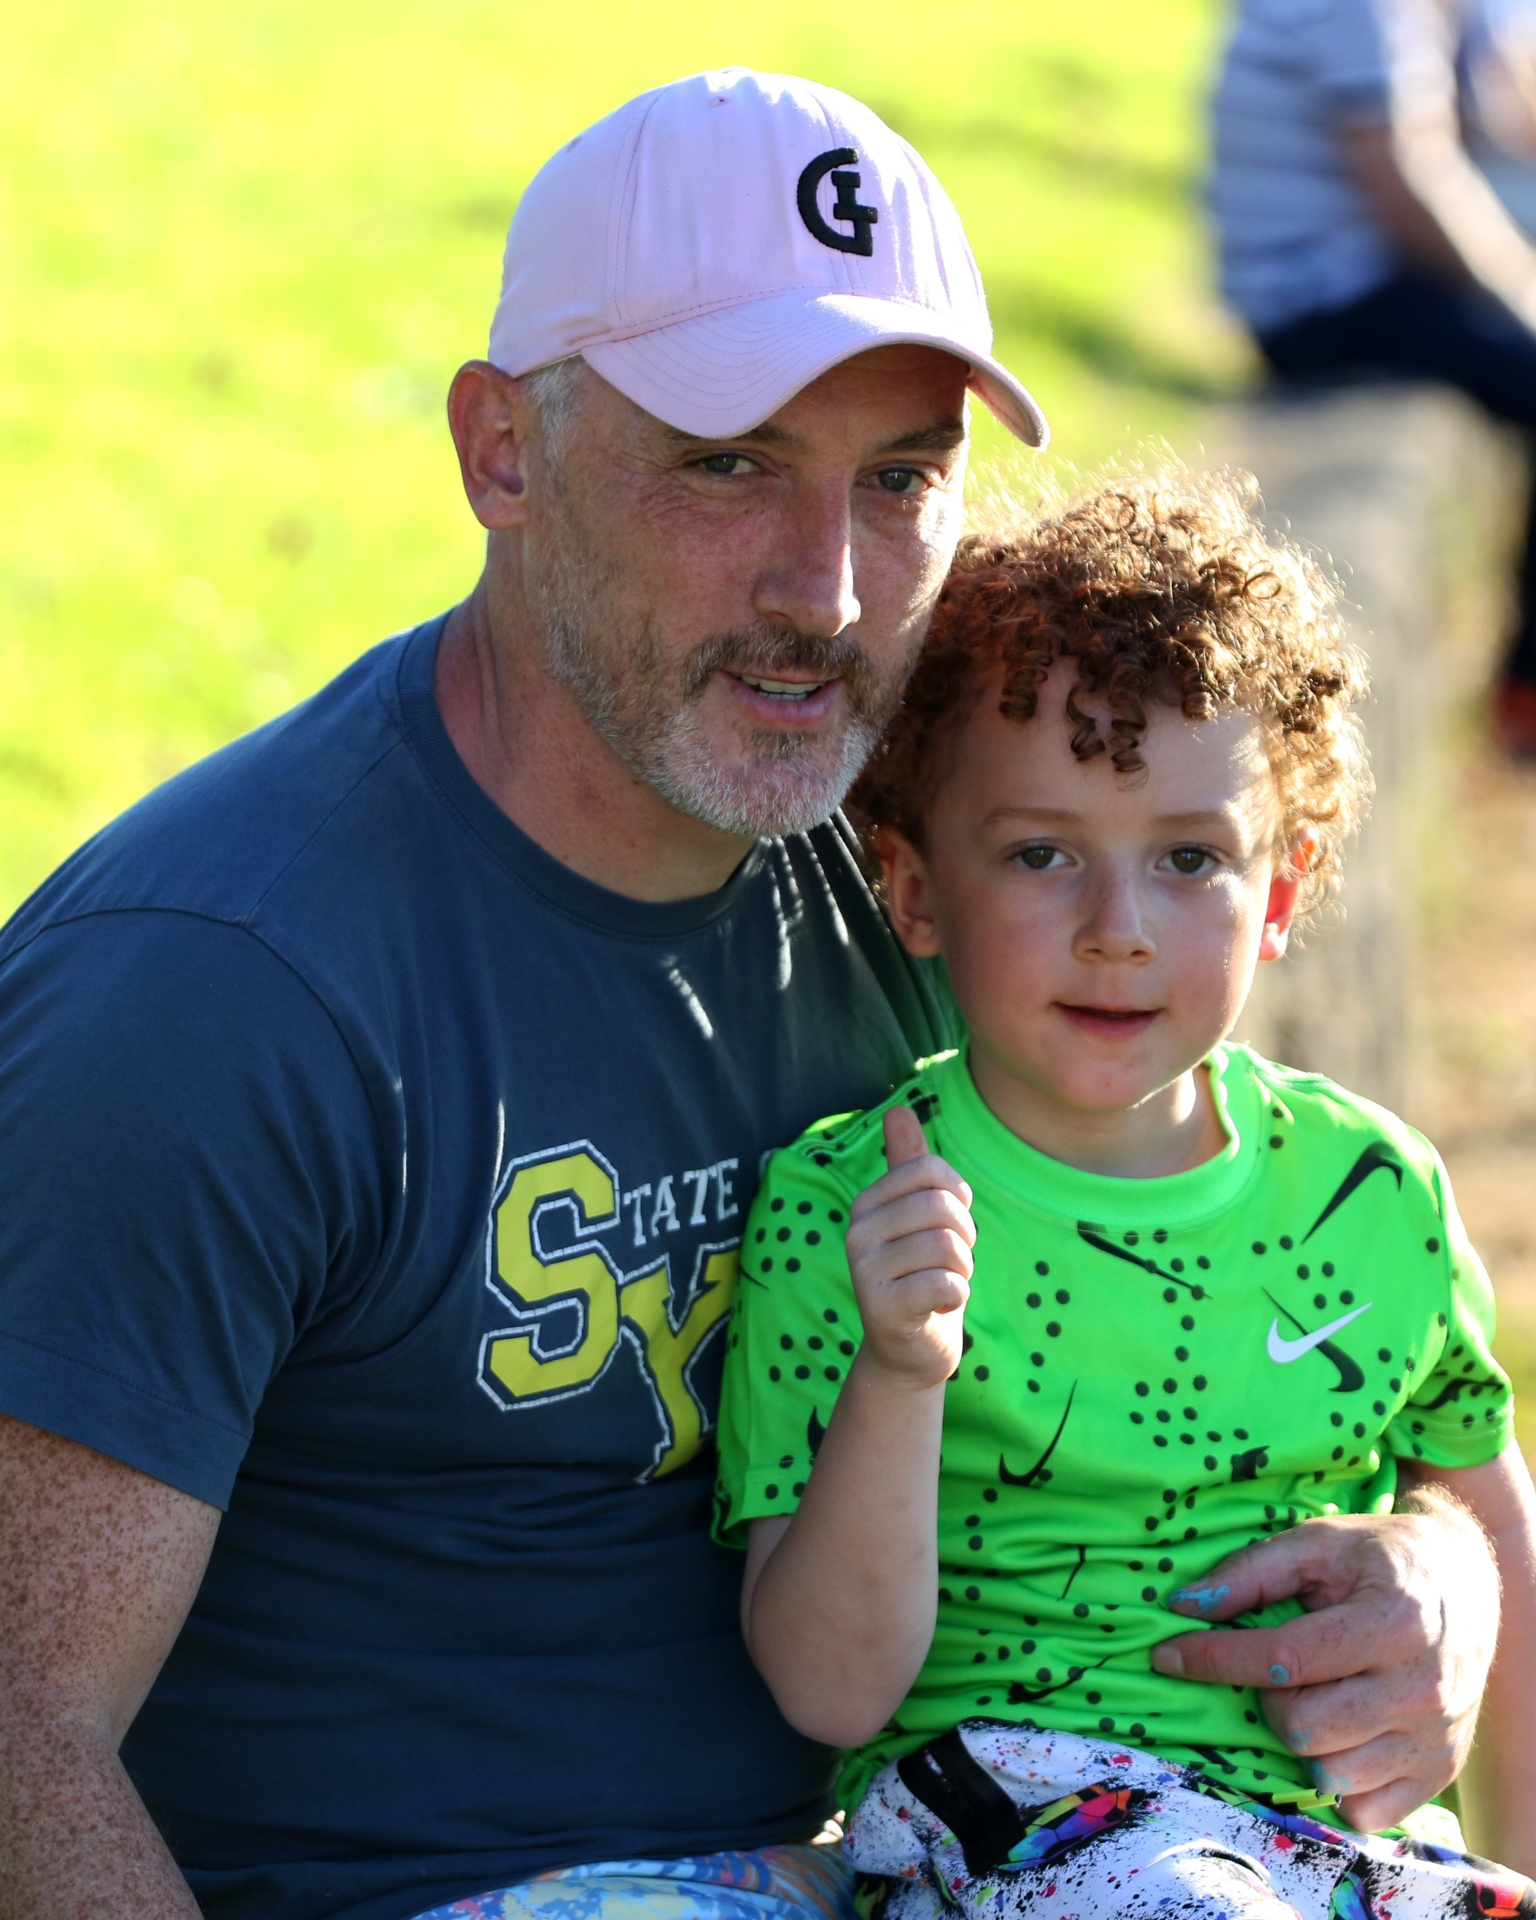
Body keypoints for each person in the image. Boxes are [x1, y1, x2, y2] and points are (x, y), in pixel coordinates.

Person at [0, 66, 1503, 1920]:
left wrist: (1440, 1573)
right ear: (500, 452)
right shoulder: (219, 993)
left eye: (899, 481)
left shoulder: (960, 856)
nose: (826, 588)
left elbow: (1264, 1298)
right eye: (727, 466)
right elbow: (18, 1735)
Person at [716, 472, 1536, 1918]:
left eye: (1189, 859)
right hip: (1015, 1821)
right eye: (1042, 854)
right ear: (912, 887)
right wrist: (905, 1370)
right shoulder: (851, 1206)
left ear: (1282, 892)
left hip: (1315, 1852)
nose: (1117, 933)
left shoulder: (1369, 1195)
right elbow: (828, 1691)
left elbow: (1494, 1530)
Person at [1210, 0, 1536, 754]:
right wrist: (1519, 296)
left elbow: (1493, 117)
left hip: (1325, 284)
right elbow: (1407, 186)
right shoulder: (1360, 8)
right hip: (1323, 299)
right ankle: (1525, 692)